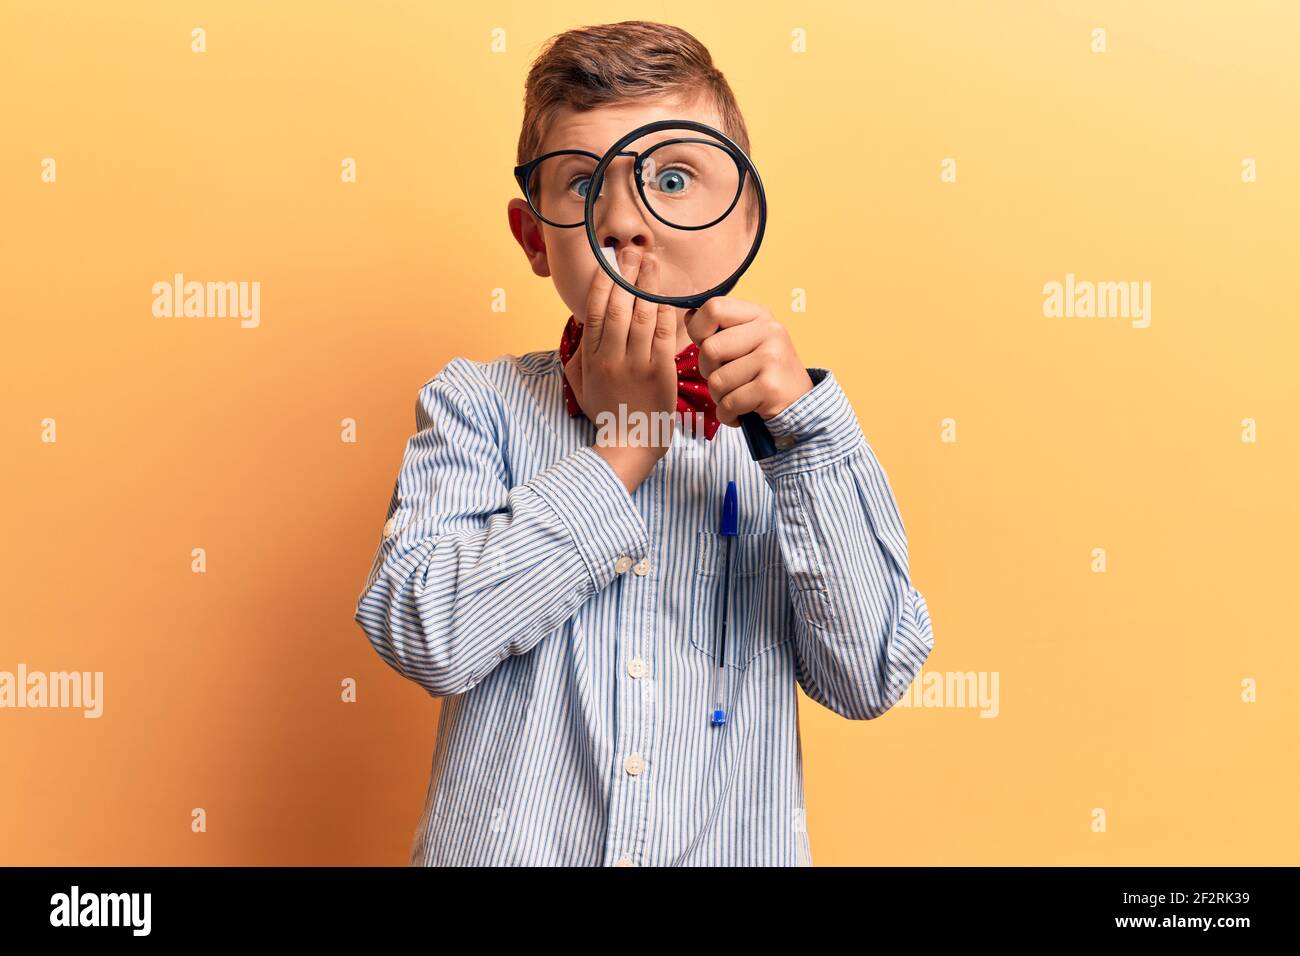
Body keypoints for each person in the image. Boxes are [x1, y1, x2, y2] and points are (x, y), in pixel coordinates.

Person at [354, 20, 934, 866]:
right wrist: (625, 445)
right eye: (585, 188)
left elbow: (871, 674)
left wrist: (805, 438)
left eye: (672, 177)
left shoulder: (795, 439)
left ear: (744, 220)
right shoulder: (475, 405)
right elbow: (426, 633)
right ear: (533, 239)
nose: (627, 223)